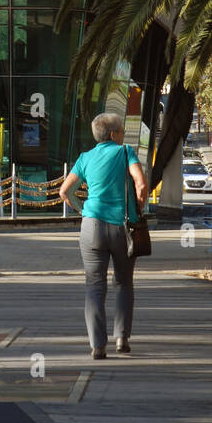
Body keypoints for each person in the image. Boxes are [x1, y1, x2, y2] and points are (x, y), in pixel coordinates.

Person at [58, 113, 148, 359]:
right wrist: (139, 207)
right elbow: (140, 183)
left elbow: (64, 191)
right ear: (113, 134)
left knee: (94, 286)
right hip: (122, 227)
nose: (122, 136)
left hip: (92, 227)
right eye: (121, 131)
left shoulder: (85, 158)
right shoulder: (125, 152)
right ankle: (121, 338)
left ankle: (97, 345)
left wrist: (82, 209)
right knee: (123, 282)